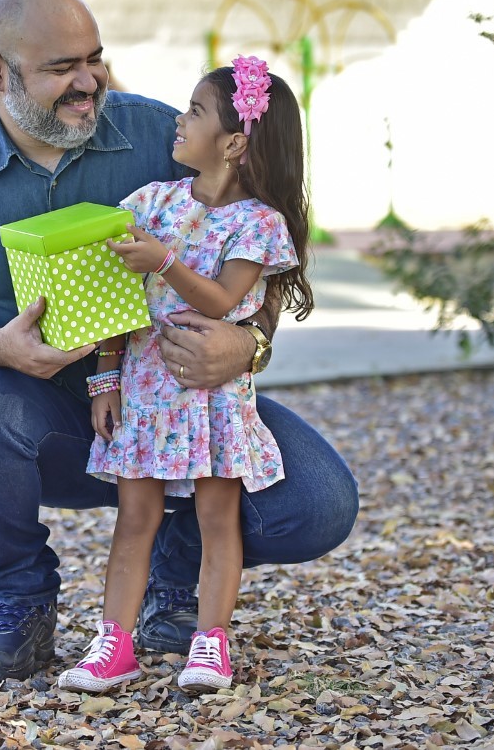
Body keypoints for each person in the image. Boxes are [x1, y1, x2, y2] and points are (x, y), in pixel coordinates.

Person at [0, 0, 358, 683]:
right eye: (62, 68)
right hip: (39, 420)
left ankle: (174, 586)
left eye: (94, 58)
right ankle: (20, 604)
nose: (88, 81)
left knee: (320, 504)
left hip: (183, 395)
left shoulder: (164, 136)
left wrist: (248, 344)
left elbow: (256, 254)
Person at [57, 57, 312, 694]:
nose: (179, 119)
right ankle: (114, 644)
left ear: (233, 143)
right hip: (145, 392)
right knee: (134, 518)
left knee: (215, 519)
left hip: (212, 398)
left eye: (195, 111)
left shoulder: (258, 224)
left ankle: (211, 642)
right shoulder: (149, 204)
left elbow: (223, 301)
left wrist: (164, 260)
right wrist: (105, 375)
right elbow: (116, 301)